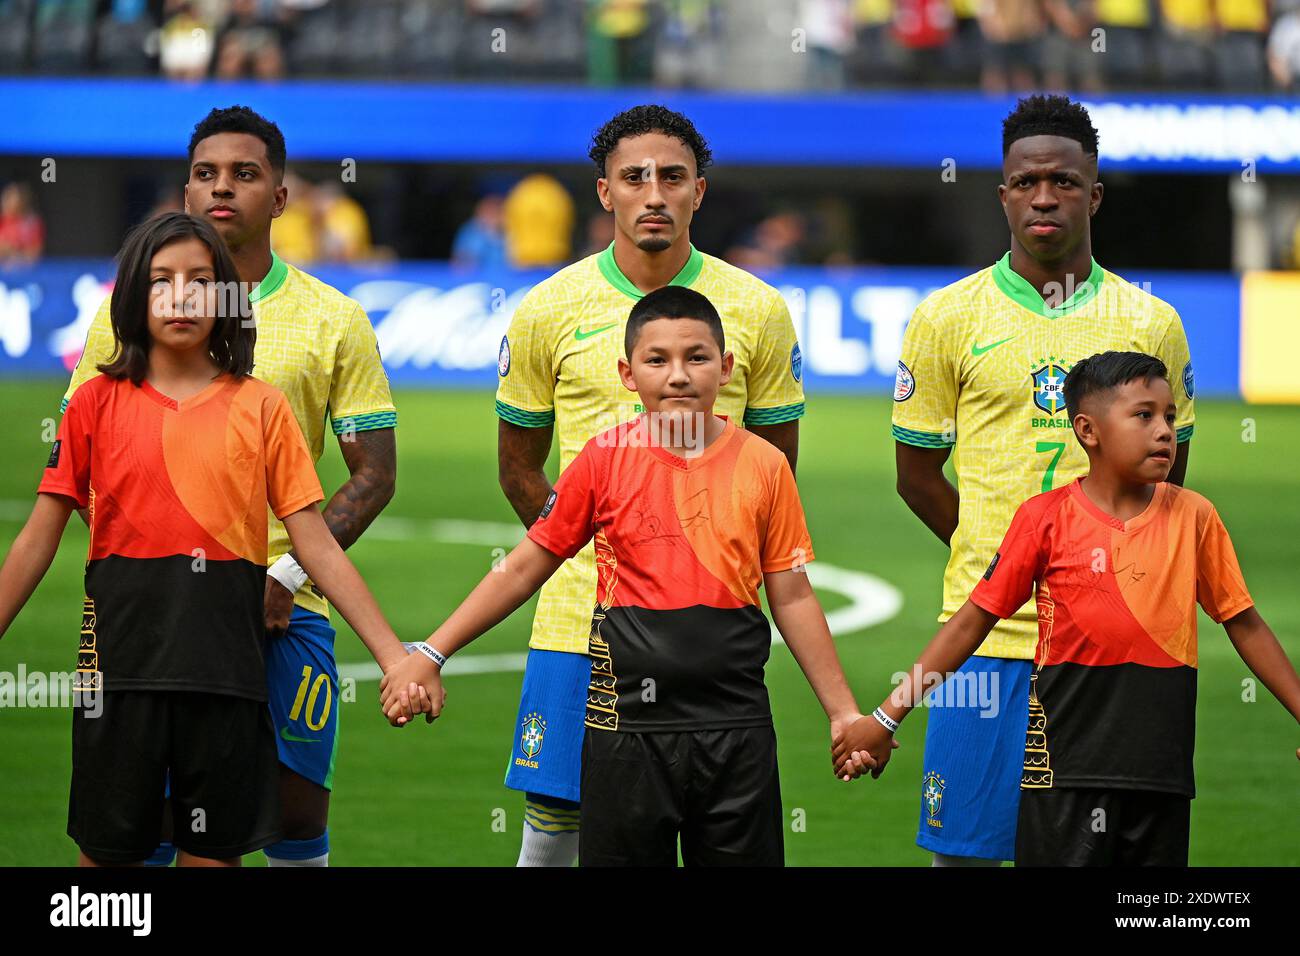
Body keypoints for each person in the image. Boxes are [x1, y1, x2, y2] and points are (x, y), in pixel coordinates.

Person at [384, 287, 865, 865]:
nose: (679, 375)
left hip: (737, 727)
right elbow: (524, 566)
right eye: (657, 360)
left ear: (727, 367)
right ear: (627, 373)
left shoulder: (764, 464)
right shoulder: (602, 458)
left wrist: (843, 713)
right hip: (625, 728)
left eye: (698, 357)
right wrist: (431, 653)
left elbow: (791, 594)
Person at [0, 213, 411, 867]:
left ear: (229, 299)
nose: (183, 295)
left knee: (213, 855)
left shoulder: (262, 408)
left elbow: (317, 545)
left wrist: (394, 657)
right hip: (119, 674)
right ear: (131, 297)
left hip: (229, 674)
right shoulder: (92, 407)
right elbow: (35, 540)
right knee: (108, 861)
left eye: (201, 281)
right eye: (162, 281)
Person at [836, 351, 1300, 866]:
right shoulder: (1045, 519)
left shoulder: (1195, 517)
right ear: (1088, 430)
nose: (1165, 431)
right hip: (1063, 775)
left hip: (1161, 776)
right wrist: (885, 717)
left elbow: (1245, 623)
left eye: (1170, 416)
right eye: (1143, 415)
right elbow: (972, 622)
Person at [494, 104, 806, 867]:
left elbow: (774, 470)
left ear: (700, 190)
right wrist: (594, 554)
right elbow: (519, 466)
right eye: (634, 178)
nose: (654, 193)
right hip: (579, 620)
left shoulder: (757, 311)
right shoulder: (547, 309)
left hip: (704, 632)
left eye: (672, 177)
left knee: (708, 827)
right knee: (554, 819)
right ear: (605, 193)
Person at [891, 94, 1196, 866]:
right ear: (1003, 194)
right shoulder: (944, 318)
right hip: (982, 637)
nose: (1044, 197)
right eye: (1026, 183)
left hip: (1109, 644)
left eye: (1063, 182)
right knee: (962, 854)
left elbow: (1166, 481)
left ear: (1093, 194)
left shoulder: (1150, 321)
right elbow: (918, 476)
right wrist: (1008, 565)